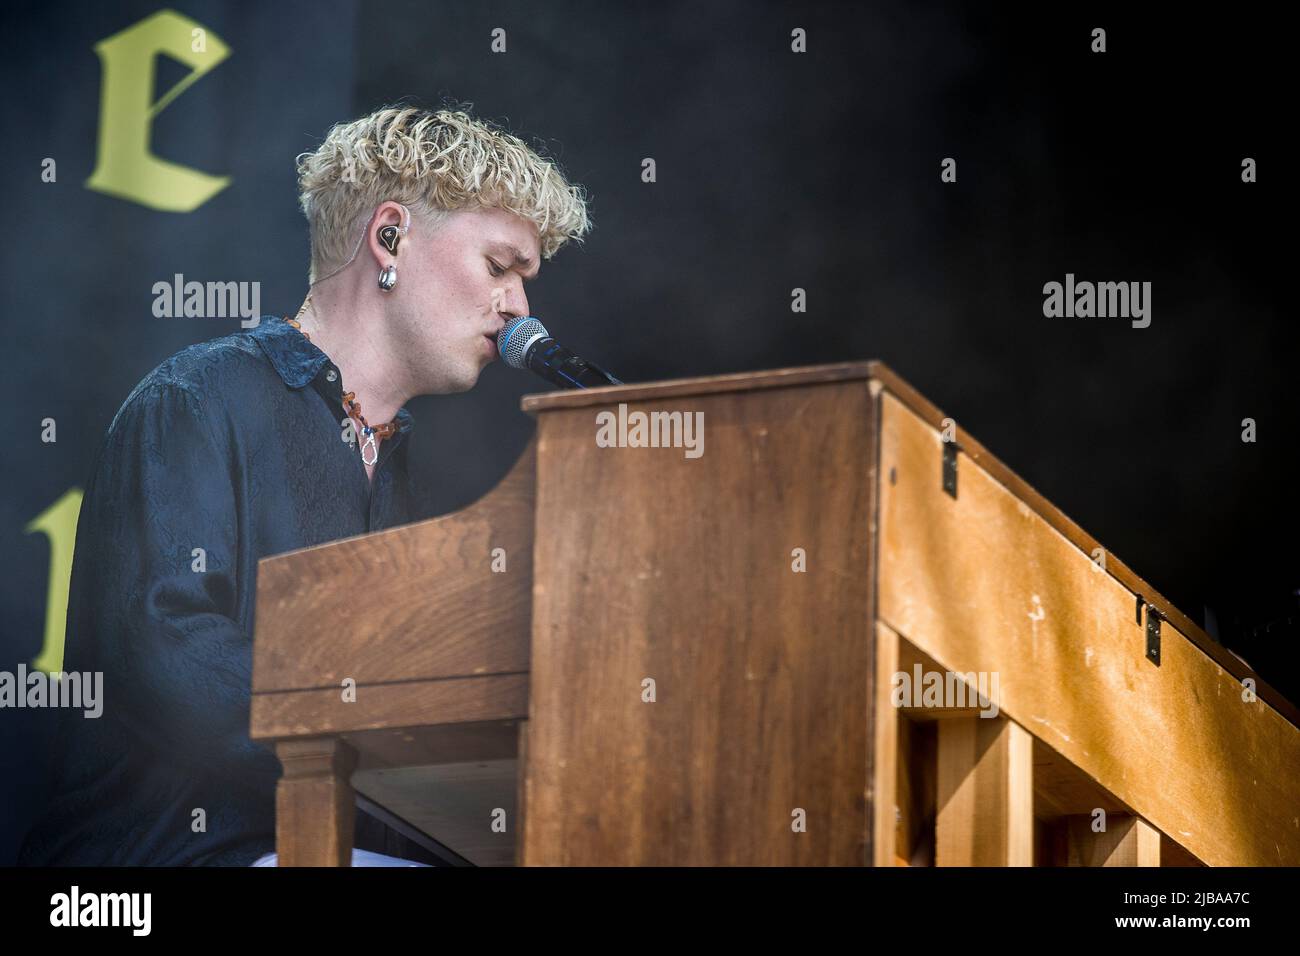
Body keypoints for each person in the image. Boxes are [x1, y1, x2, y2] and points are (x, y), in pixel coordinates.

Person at [18, 105, 592, 866]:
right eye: (500, 266)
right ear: (390, 237)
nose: (522, 306)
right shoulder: (193, 398)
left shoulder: (396, 464)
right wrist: (384, 751)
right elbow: (167, 653)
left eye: (525, 278)